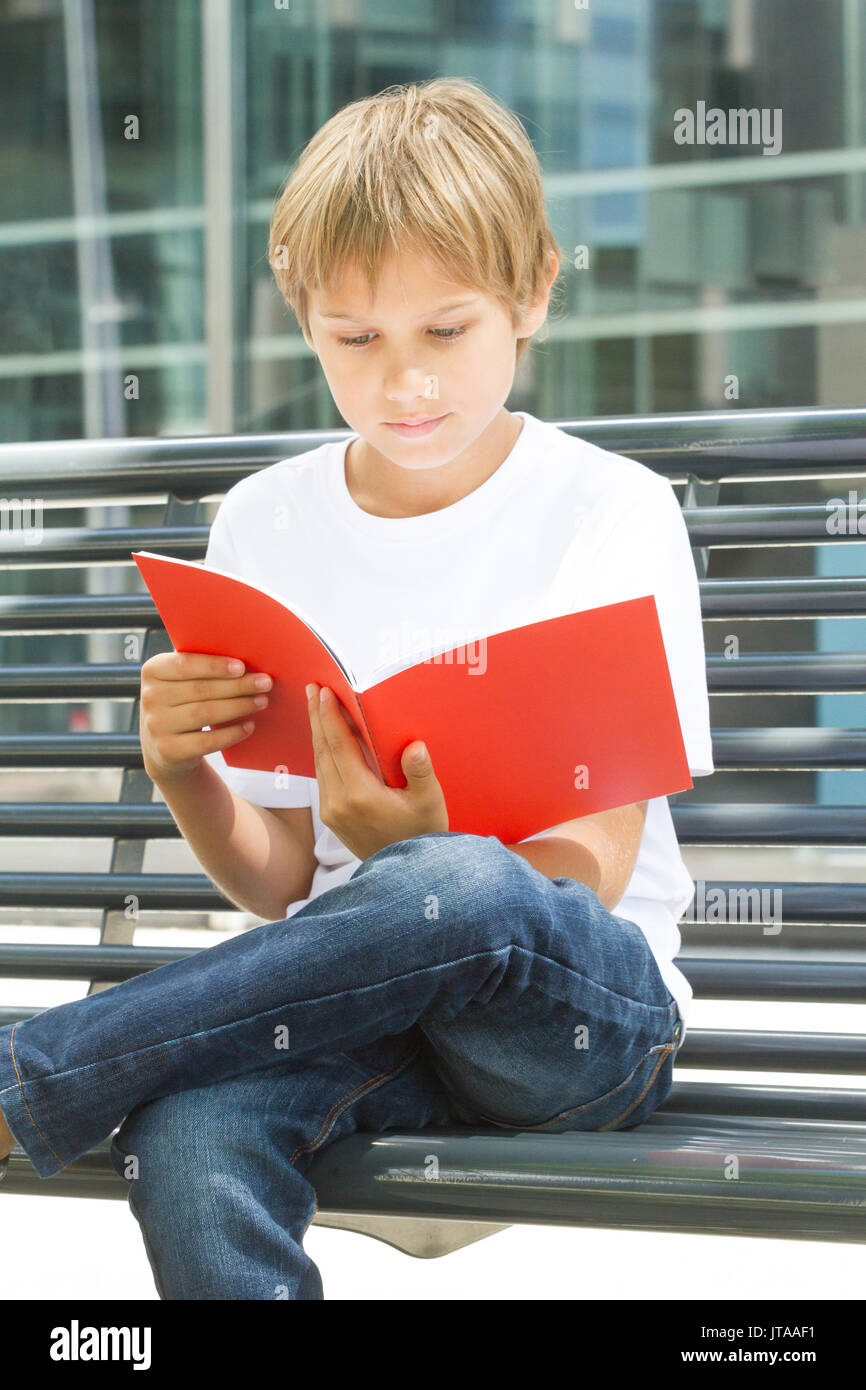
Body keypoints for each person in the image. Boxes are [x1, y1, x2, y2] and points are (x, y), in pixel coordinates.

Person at [0, 77, 713, 1299]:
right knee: (190, 1130)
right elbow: (285, 884)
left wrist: (415, 858)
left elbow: (588, 862)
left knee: (457, 881)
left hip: (572, 1020)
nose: (405, 385)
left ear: (534, 289)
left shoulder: (609, 511)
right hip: (363, 1017)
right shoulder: (265, 519)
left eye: (446, 332)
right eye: (355, 340)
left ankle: (35, 1080)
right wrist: (184, 776)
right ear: (303, 315)